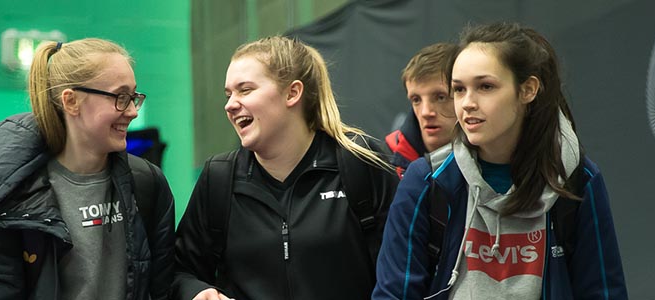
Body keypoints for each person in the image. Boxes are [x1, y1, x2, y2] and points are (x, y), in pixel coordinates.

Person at [373, 23, 627, 300]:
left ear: (528, 90)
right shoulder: (426, 181)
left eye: (485, 86)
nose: (467, 103)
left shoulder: (578, 179)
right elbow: (394, 293)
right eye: (458, 90)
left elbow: (603, 292)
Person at [174, 36, 399, 300]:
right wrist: (198, 292)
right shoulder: (219, 178)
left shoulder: (359, 162)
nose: (230, 105)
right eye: (228, 94)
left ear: (292, 93)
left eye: (245, 90)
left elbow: (403, 271)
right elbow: (179, 272)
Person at [0, 38, 175, 300]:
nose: (132, 111)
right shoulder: (13, 190)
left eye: (133, 97)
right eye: (120, 97)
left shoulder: (146, 182)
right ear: (71, 102)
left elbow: (164, 288)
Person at [386, 43, 459, 178]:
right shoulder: (384, 162)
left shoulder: (499, 157)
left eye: (440, 97)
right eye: (416, 99)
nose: (426, 112)